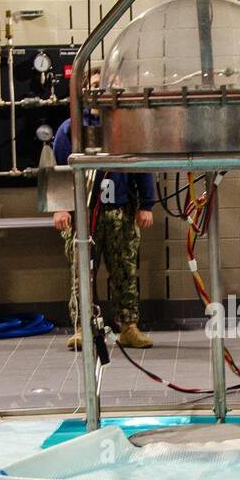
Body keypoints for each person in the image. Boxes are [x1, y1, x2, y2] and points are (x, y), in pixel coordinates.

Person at [51, 69, 157, 350]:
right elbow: (60, 170)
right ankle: (82, 327)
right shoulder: (70, 129)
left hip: (120, 213)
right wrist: (61, 208)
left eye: (108, 86)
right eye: (96, 86)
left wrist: (146, 204)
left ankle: (129, 327)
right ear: (86, 90)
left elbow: (142, 166)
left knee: (125, 270)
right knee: (81, 272)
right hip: (82, 216)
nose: (101, 92)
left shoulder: (126, 127)